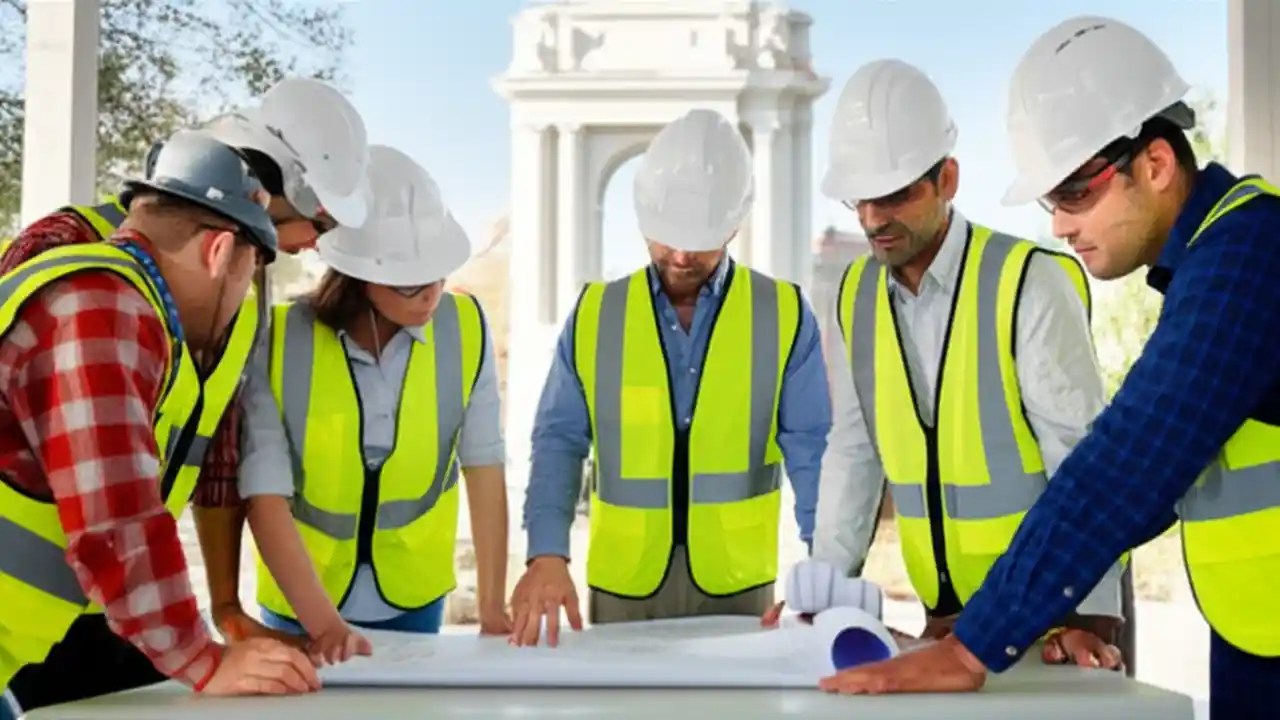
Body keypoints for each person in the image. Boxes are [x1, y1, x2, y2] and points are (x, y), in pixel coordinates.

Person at [817, 17, 1280, 719]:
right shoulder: (1210, 262)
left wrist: (975, 645)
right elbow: (1152, 486)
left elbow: (1132, 458)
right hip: (1253, 630)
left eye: (1075, 194)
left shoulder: (1250, 252)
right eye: (1051, 202)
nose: (1060, 225)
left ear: (1154, 165)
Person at [0, 77, 374, 707]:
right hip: (89, 602)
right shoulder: (96, 298)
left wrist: (221, 611)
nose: (311, 244)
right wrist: (201, 659)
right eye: (258, 263)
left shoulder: (151, 299)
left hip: (97, 608)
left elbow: (208, 456)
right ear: (224, 248)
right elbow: (115, 511)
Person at [770, 59, 1127, 669]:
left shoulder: (1027, 282)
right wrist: (821, 587)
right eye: (862, 199)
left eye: (897, 195)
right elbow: (855, 451)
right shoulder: (854, 295)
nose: (874, 218)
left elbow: (1084, 460)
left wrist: (1086, 615)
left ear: (948, 179)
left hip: (1054, 621)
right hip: (943, 622)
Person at [508, 108, 832, 647]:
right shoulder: (595, 313)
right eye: (667, 236)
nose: (680, 255)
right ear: (642, 218)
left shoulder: (784, 313)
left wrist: (827, 569)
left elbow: (813, 450)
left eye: (699, 239)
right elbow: (559, 441)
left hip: (738, 585)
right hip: (623, 584)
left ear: (734, 222)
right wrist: (546, 553)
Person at [236, 144, 512, 644]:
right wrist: (322, 625)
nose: (430, 296)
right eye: (409, 286)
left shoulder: (466, 328)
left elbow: (485, 463)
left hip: (415, 595)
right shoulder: (277, 338)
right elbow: (264, 490)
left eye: (437, 277)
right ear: (360, 277)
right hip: (301, 601)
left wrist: (493, 604)